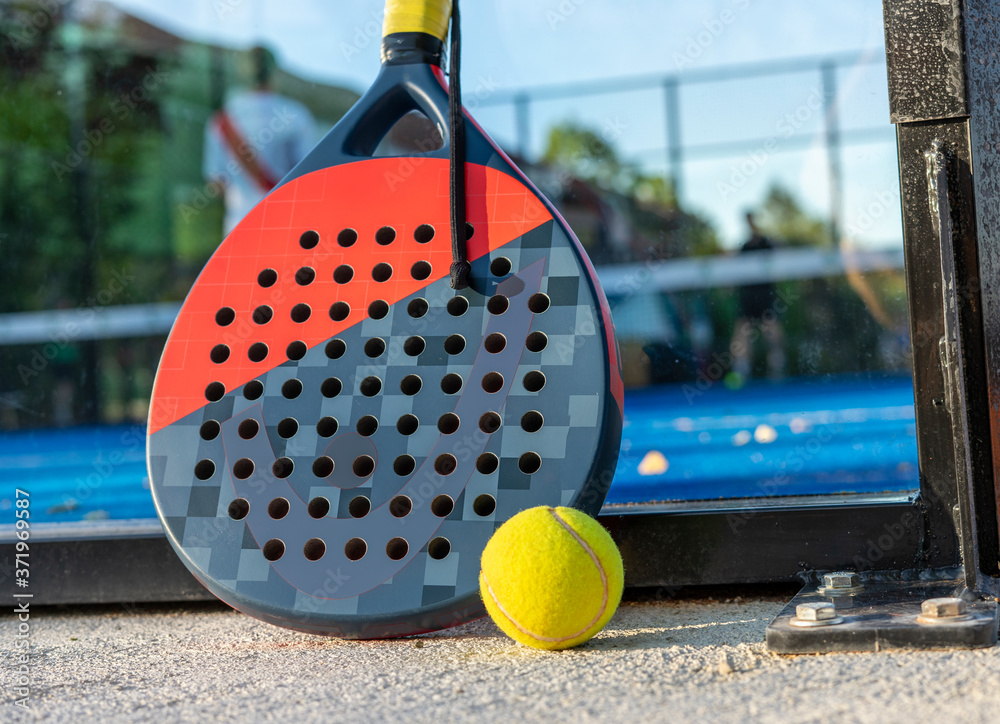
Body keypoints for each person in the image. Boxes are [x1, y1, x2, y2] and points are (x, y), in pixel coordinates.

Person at [203, 46, 318, 234]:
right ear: (274, 73)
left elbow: (217, 183)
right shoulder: (295, 115)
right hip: (286, 224)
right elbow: (310, 177)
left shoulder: (222, 120)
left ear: (242, 74)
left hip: (239, 228)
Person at [729, 212, 785, 383]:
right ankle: (742, 370)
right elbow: (735, 270)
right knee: (742, 332)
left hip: (765, 295)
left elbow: (782, 257)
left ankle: (777, 369)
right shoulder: (744, 248)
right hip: (747, 296)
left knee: (772, 332)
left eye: (752, 221)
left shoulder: (767, 243)